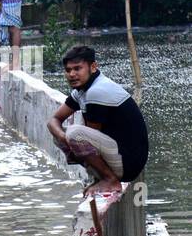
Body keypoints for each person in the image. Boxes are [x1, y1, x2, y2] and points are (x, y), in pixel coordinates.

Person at [47, 45, 149, 196]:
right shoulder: (81, 91)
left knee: (75, 134)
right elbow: (54, 120)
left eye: (77, 69)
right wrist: (64, 138)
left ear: (93, 67)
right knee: (62, 136)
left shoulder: (97, 90)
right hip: (116, 154)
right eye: (68, 70)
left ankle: (109, 179)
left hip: (128, 163)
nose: (72, 74)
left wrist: (69, 139)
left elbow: (87, 136)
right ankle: (102, 177)